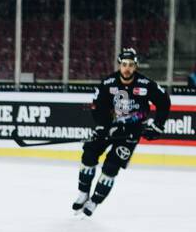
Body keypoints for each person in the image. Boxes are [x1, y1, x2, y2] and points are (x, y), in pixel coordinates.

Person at [72, 48, 171, 217]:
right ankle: (83, 193)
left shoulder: (145, 84)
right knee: (89, 154)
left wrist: (158, 125)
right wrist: (103, 126)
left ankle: (94, 201)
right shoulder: (108, 83)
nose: (127, 68)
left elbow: (164, 102)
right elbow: (97, 106)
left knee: (111, 167)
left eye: (131, 65)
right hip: (110, 128)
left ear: (136, 66)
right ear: (119, 65)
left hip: (130, 134)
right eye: (124, 64)